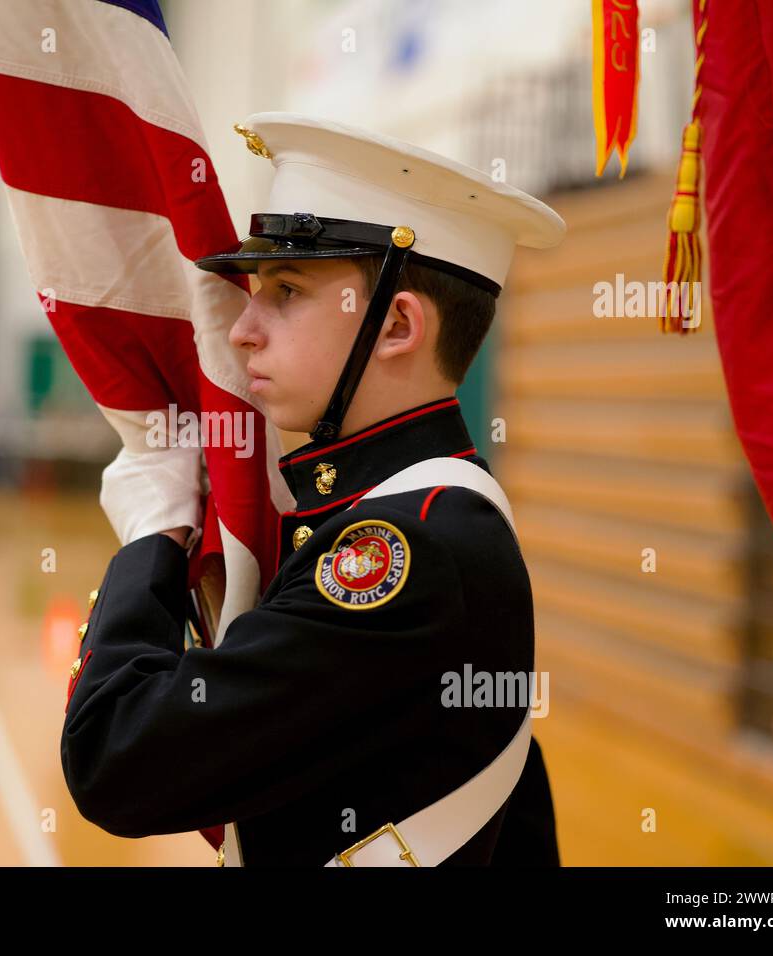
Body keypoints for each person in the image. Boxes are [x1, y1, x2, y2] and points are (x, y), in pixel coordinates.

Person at [61, 113, 566, 867]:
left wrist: (153, 537)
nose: (242, 330)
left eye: (287, 291)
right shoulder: (414, 515)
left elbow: (116, 759)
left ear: (397, 325)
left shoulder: (407, 551)